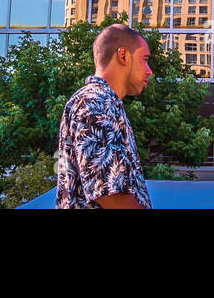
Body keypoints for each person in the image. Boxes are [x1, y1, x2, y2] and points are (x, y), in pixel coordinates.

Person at [55, 24, 153, 208]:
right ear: (123, 56)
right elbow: (109, 193)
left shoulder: (102, 102)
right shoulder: (94, 102)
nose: (149, 70)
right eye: (144, 59)